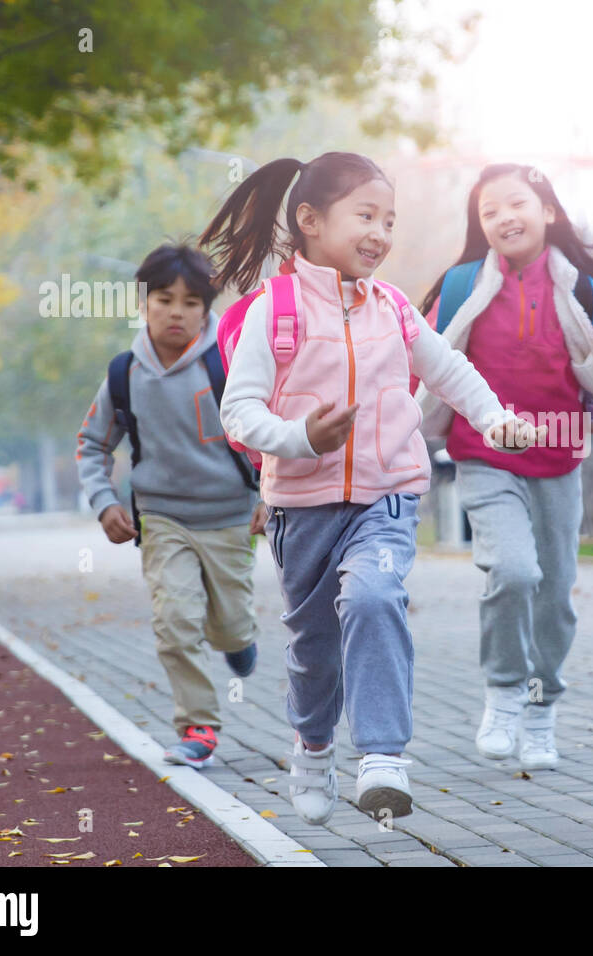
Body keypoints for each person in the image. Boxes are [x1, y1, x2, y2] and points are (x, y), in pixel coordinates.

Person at [206, 152, 538, 824]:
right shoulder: (273, 313)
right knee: (314, 646)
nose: (381, 233)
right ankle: (313, 745)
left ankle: (384, 758)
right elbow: (238, 413)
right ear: (309, 220)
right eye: (366, 215)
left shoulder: (391, 308)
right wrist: (303, 438)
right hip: (302, 509)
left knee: (376, 596)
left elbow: (448, 369)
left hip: (386, 497)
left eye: (389, 220)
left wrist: (496, 419)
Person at [418, 163, 593, 770]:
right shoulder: (462, 287)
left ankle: (542, 705)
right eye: (490, 211)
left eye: (517, 204)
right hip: (485, 455)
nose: (505, 217)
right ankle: (505, 691)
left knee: (555, 592)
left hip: (559, 458)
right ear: (480, 227)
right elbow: (421, 357)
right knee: (512, 572)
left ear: (549, 213)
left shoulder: (577, 286)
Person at [75, 243, 266, 769]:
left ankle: (239, 639)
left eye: (190, 302)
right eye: (164, 299)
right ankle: (198, 726)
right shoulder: (123, 374)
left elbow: (265, 431)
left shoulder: (226, 362)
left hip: (230, 518)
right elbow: (92, 444)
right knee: (175, 619)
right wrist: (104, 500)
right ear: (145, 304)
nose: (176, 311)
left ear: (207, 310)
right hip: (160, 519)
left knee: (228, 624)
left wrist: (268, 494)